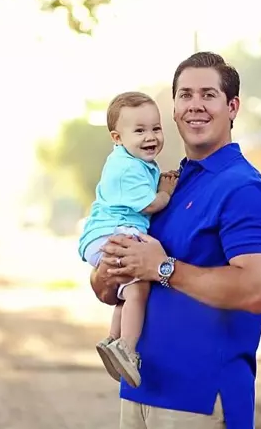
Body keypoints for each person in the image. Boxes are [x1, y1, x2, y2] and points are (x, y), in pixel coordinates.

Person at [90, 52, 261, 429]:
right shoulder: (163, 186)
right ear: (175, 108)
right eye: (185, 95)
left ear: (232, 107)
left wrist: (162, 267)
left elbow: (255, 289)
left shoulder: (244, 189)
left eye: (208, 95)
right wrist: (106, 272)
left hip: (199, 401)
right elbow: (109, 288)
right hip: (139, 393)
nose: (195, 105)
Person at [78, 91, 178, 388]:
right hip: (112, 233)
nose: (150, 137)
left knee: (126, 290)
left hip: (108, 231)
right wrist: (166, 192)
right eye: (139, 130)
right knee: (138, 286)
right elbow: (150, 205)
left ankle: (113, 341)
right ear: (117, 138)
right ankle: (127, 349)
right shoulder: (125, 169)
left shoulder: (134, 161)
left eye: (156, 128)